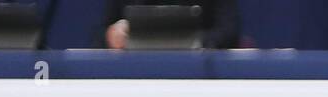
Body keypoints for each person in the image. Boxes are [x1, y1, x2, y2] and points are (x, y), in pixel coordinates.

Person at [102, 0, 240, 50]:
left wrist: (184, 42)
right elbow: (100, 34)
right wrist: (112, 35)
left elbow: (228, 31)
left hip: (196, 71)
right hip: (139, 70)